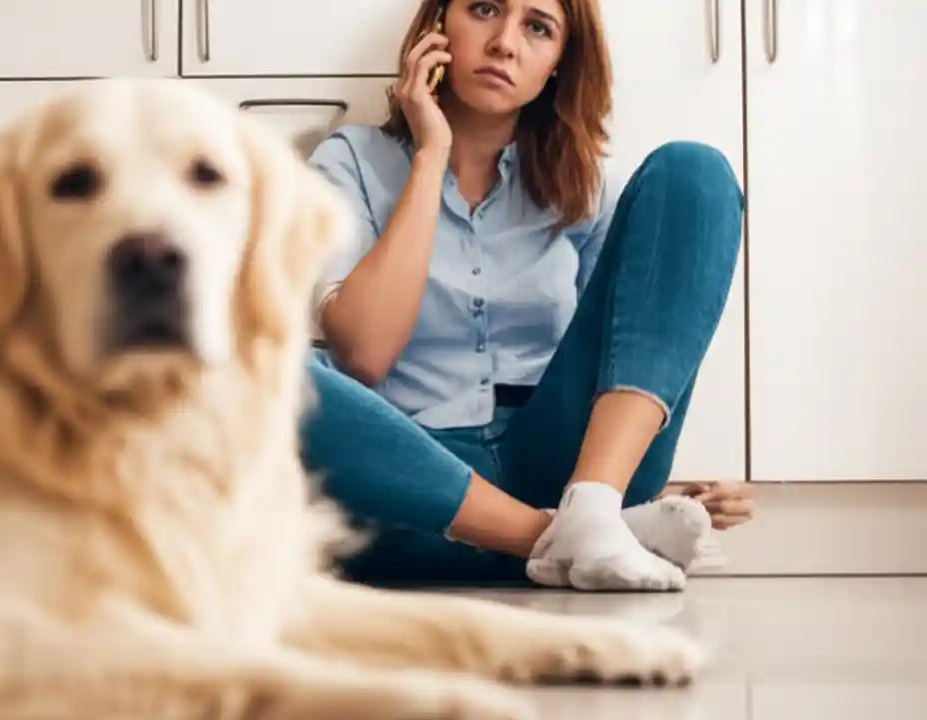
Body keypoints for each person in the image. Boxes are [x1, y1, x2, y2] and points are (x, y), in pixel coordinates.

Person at [296, 0, 754, 591]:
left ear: (559, 64)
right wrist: (431, 154)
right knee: (265, 367)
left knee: (694, 171)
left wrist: (636, 484)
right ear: (436, 30)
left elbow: (626, 353)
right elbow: (365, 353)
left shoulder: (583, 189)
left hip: (559, 460)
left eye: (538, 27)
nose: (505, 43)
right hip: (410, 476)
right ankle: (573, 535)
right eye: (484, 9)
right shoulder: (352, 159)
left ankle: (591, 509)